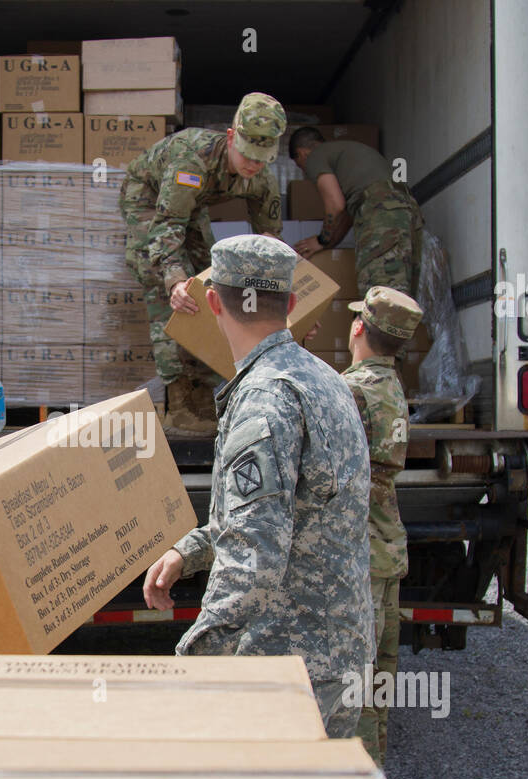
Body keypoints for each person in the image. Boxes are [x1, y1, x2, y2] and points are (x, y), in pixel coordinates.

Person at [141, 234, 373, 738]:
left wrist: (194, 658)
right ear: (291, 304)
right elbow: (299, 509)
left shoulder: (264, 398)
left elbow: (255, 555)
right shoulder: (327, 380)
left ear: (211, 303)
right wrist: (191, 550)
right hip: (337, 654)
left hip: (283, 666)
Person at [120, 92, 286, 437]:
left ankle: (205, 394)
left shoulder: (261, 177)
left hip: (191, 205)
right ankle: (178, 405)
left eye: (262, 157)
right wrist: (174, 281)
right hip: (150, 199)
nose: (253, 164)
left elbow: (271, 244)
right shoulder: (191, 161)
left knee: (214, 283)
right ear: (230, 137)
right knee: (168, 288)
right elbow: (167, 225)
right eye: (247, 155)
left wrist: (287, 305)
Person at [339, 287, 422, 765]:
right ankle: (377, 768)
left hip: (360, 553)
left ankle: (358, 777)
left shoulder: (354, 390)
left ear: (357, 329)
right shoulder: (390, 387)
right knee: (381, 673)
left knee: (356, 678)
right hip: (387, 548)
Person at [287, 126, 425, 298]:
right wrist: (329, 245)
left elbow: (335, 205)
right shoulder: (348, 157)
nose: (305, 173)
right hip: (407, 212)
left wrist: (321, 239)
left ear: (302, 154)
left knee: (379, 294)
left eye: (300, 166)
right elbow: (346, 214)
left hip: (381, 216)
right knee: (402, 295)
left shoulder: (316, 156)